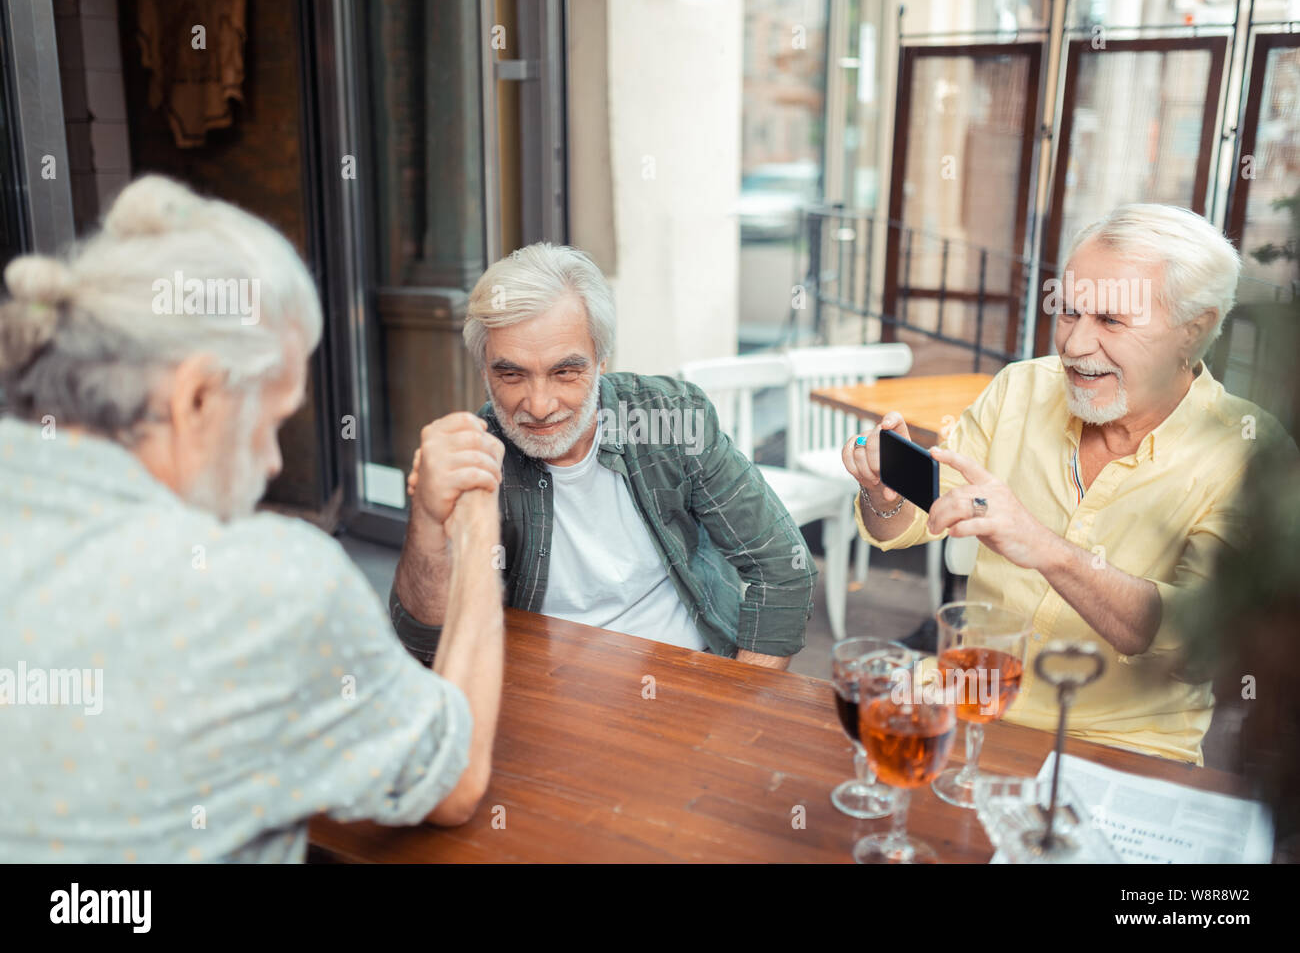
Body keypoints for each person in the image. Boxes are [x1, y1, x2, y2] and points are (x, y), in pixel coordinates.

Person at [0, 176, 503, 861]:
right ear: (197, 397)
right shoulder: (266, 586)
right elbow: (452, 777)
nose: (270, 462)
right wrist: (478, 531)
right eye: (271, 422)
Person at [841, 203, 1299, 765]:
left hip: (1123, 746)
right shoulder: (1020, 390)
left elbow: (1200, 646)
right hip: (970, 699)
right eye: (1069, 313)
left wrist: (1047, 549)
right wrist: (880, 495)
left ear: (1193, 330)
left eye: (1110, 321)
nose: (1075, 345)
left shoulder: (1250, 450)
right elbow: (913, 521)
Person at [391, 243, 816, 670]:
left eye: (565, 372)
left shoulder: (671, 418)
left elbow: (783, 569)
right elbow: (428, 643)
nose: (538, 406)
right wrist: (427, 519)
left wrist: (737, 707)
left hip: (690, 673)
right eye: (511, 374)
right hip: (548, 692)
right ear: (484, 371)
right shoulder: (473, 458)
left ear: (602, 361)